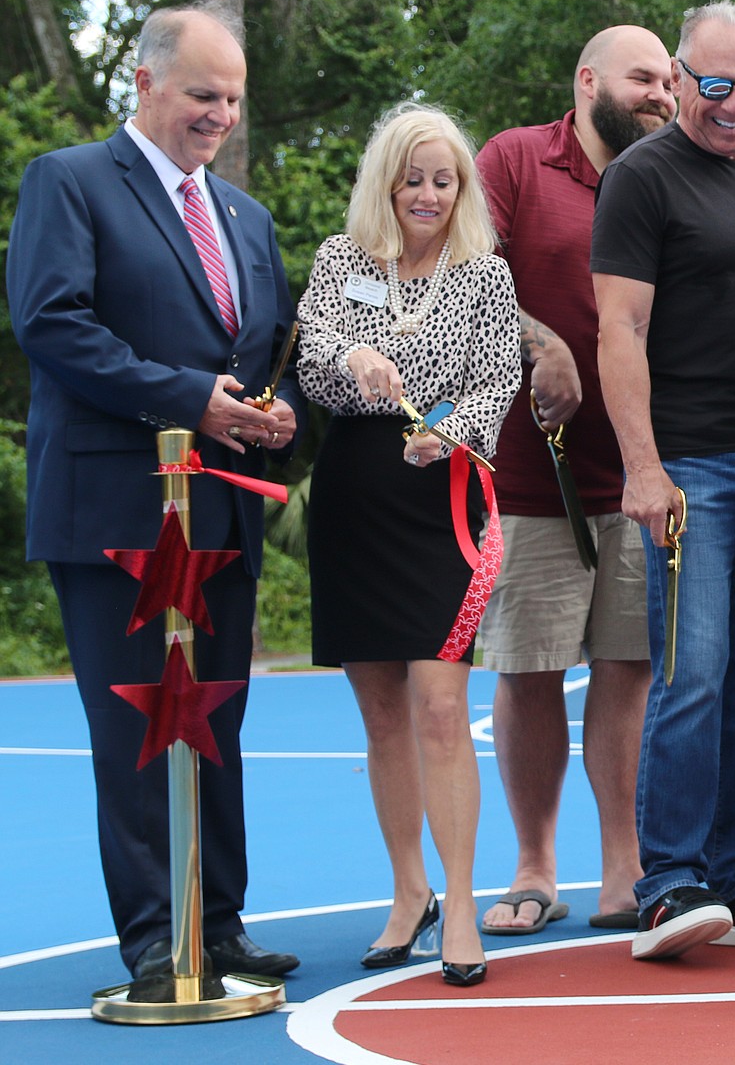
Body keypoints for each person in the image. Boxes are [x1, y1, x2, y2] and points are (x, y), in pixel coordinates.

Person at [7, 0, 302, 994]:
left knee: (214, 719)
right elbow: (51, 322)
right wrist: (191, 401)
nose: (219, 115)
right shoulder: (71, 182)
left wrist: (277, 411)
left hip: (217, 514)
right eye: (202, 95)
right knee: (135, 726)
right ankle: (154, 942)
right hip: (114, 516)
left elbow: (268, 354)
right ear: (143, 83)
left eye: (232, 99)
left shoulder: (247, 218)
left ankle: (218, 926)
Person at [593, 1, 735, 961]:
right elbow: (620, 331)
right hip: (693, 469)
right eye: (717, 86)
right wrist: (643, 466)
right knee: (692, 672)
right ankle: (668, 880)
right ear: (679, 79)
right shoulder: (640, 179)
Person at [296, 103, 521, 987]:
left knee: (438, 706)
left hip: (441, 499)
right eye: (413, 177)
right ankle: (408, 892)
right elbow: (311, 355)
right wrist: (353, 359)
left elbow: (500, 378)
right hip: (354, 496)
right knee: (382, 714)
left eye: (444, 179)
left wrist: (449, 434)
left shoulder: (484, 275)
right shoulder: (339, 262)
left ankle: (461, 902)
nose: (428, 193)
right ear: (383, 180)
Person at [473, 24, 677, 936]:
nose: (662, 94)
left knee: (629, 671)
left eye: (671, 81)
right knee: (526, 672)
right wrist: (543, 340)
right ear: (587, 77)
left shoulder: (675, 172)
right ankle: (533, 863)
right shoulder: (517, 160)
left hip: (639, 472)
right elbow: (462, 270)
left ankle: (624, 865)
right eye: (645, 78)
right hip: (526, 473)